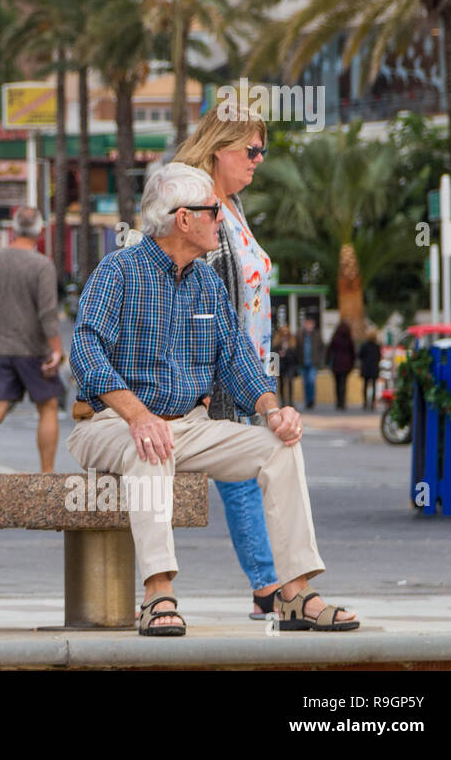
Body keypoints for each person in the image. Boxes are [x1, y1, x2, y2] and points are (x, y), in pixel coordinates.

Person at [67, 163, 359, 635]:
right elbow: (85, 349)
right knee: (152, 443)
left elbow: (238, 359)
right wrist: (139, 416)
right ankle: (157, 594)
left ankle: (294, 593)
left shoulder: (207, 282)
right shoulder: (117, 270)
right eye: (214, 212)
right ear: (184, 219)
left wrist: (272, 410)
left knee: (279, 447)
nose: (221, 220)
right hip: (108, 424)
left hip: (192, 425)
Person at [174, 106, 279, 620]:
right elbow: (193, 297)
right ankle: (267, 587)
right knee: (241, 476)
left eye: (262, 151)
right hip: (222, 374)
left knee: (252, 473)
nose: (258, 160)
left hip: (250, 367)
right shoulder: (198, 202)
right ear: (220, 149)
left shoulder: (231, 203)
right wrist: (210, 377)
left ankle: (269, 584)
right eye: (250, 150)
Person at [0, 206, 64, 474]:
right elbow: (48, 313)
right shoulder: (42, 265)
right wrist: (56, 350)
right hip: (33, 349)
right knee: (48, 406)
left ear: (13, 229)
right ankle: (47, 471)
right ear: (40, 231)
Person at [297, 315, 324, 409]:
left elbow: (321, 348)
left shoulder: (317, 335)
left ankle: (311, 400)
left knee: (311, 381)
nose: (308, 326)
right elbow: (297, 349)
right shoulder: (300, 335)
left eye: (310, 324)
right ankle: (307, 400)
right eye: (307, 324)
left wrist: (320, 361)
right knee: (305, 383)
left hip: (313, 363)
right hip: (303, 363)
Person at [329, 321, 355, 411]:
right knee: (343, 384)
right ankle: (342, 402)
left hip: (336, 364)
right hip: (346, 364)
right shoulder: (349, 339)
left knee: (337, 384)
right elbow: (353, 353)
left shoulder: (335, 338)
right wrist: (352, 363)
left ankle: (338, 402)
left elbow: (330, 350)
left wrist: (327, 362)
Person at [358, 327, 382, 410]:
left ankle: (365, 402)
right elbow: (379, 356)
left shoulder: (364, 345)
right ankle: (372, 403)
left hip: (366, 367)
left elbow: (360, 355)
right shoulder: (377, 346)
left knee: (365, 385)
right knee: (374, 386)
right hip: (374, 367)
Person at [275, 325, 298, 408]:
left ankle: (291, 400)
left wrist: (286, 354)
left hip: (290, 365)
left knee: (290, 382)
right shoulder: (277, 343)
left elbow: (295, 354)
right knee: (281, 383)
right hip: (281, 366)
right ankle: (283, 401)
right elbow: (274, 353)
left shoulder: (292, 343)